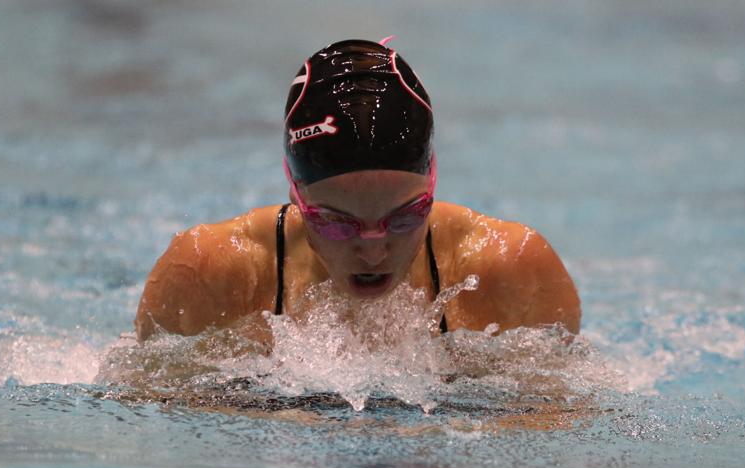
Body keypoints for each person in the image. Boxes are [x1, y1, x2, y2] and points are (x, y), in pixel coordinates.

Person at [135, 39, 580, 342]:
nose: (373, 253)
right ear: (297, 194)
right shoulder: (211, 272)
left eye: (404, 217)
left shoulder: (511, 269)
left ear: (432, 182)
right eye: (336, 224)